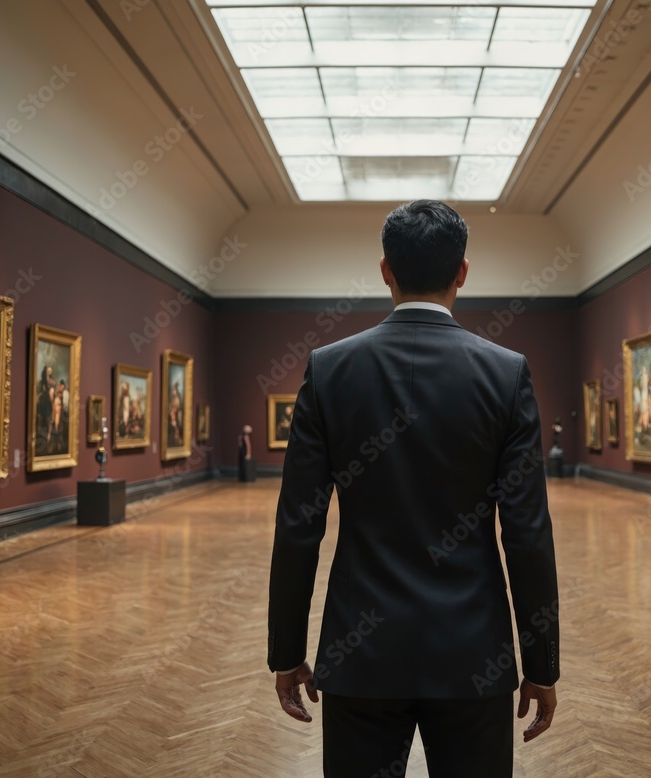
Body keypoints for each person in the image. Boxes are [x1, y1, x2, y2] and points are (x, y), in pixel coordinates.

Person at [267, 200, 560, 777]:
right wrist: (541, 662)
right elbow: (526, 533)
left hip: (361, 653)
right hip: (472, 652)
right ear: (463, 272)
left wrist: (286, 652)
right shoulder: (506, 373)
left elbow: (299, 522)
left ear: (385, 270)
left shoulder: (329, 369)